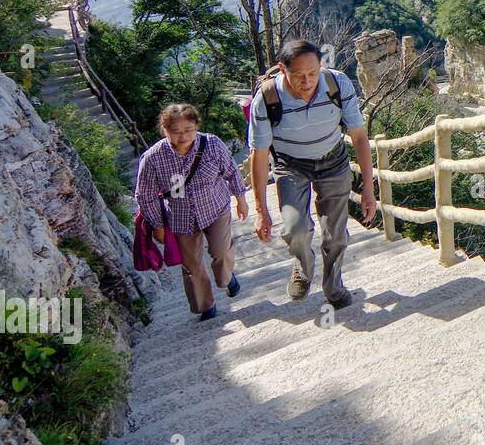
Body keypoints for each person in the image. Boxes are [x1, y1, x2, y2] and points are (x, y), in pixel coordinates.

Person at [248, 40, 377, 309]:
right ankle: (302, 267)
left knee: (336, 233)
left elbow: (359, 137)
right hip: (290, 164)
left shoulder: (337, 84)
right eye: (299, 76)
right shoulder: (267, 97)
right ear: (283, 69)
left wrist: (368, 188)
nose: (307, 82)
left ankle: (333, 286)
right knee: (296, 228)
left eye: (313, 73)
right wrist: (261, 210)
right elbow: (259, 156)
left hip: (333, 160)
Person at [136, 103, 248, 321]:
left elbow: (232, 172)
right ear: (165, 130)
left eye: (188, 130)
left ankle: (226, 279)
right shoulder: (153, 158)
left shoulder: (212, 145)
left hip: (215, 207)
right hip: (180, 217)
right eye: (176, 132)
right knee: (192, 265)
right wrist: (158, 225)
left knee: (221, 251)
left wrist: (241, 199)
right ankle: (205, 307)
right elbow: (145, 195)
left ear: (197, 125)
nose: (183, 136)